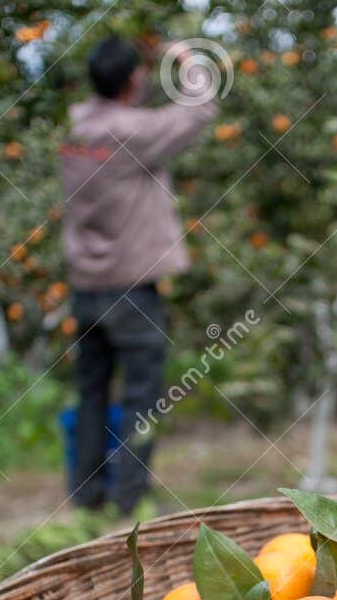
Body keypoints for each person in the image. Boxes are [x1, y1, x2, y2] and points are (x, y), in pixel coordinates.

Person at [61, 35, 220, 512]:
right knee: (143, 399)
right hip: (131, 291)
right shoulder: (134, 133)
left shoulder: (76, 129)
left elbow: (119, 108)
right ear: (133, 79)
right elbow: (200, 107)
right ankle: (128, 501)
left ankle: (86, 499)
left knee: (91, 393)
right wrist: (184, 55)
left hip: (86, 287)